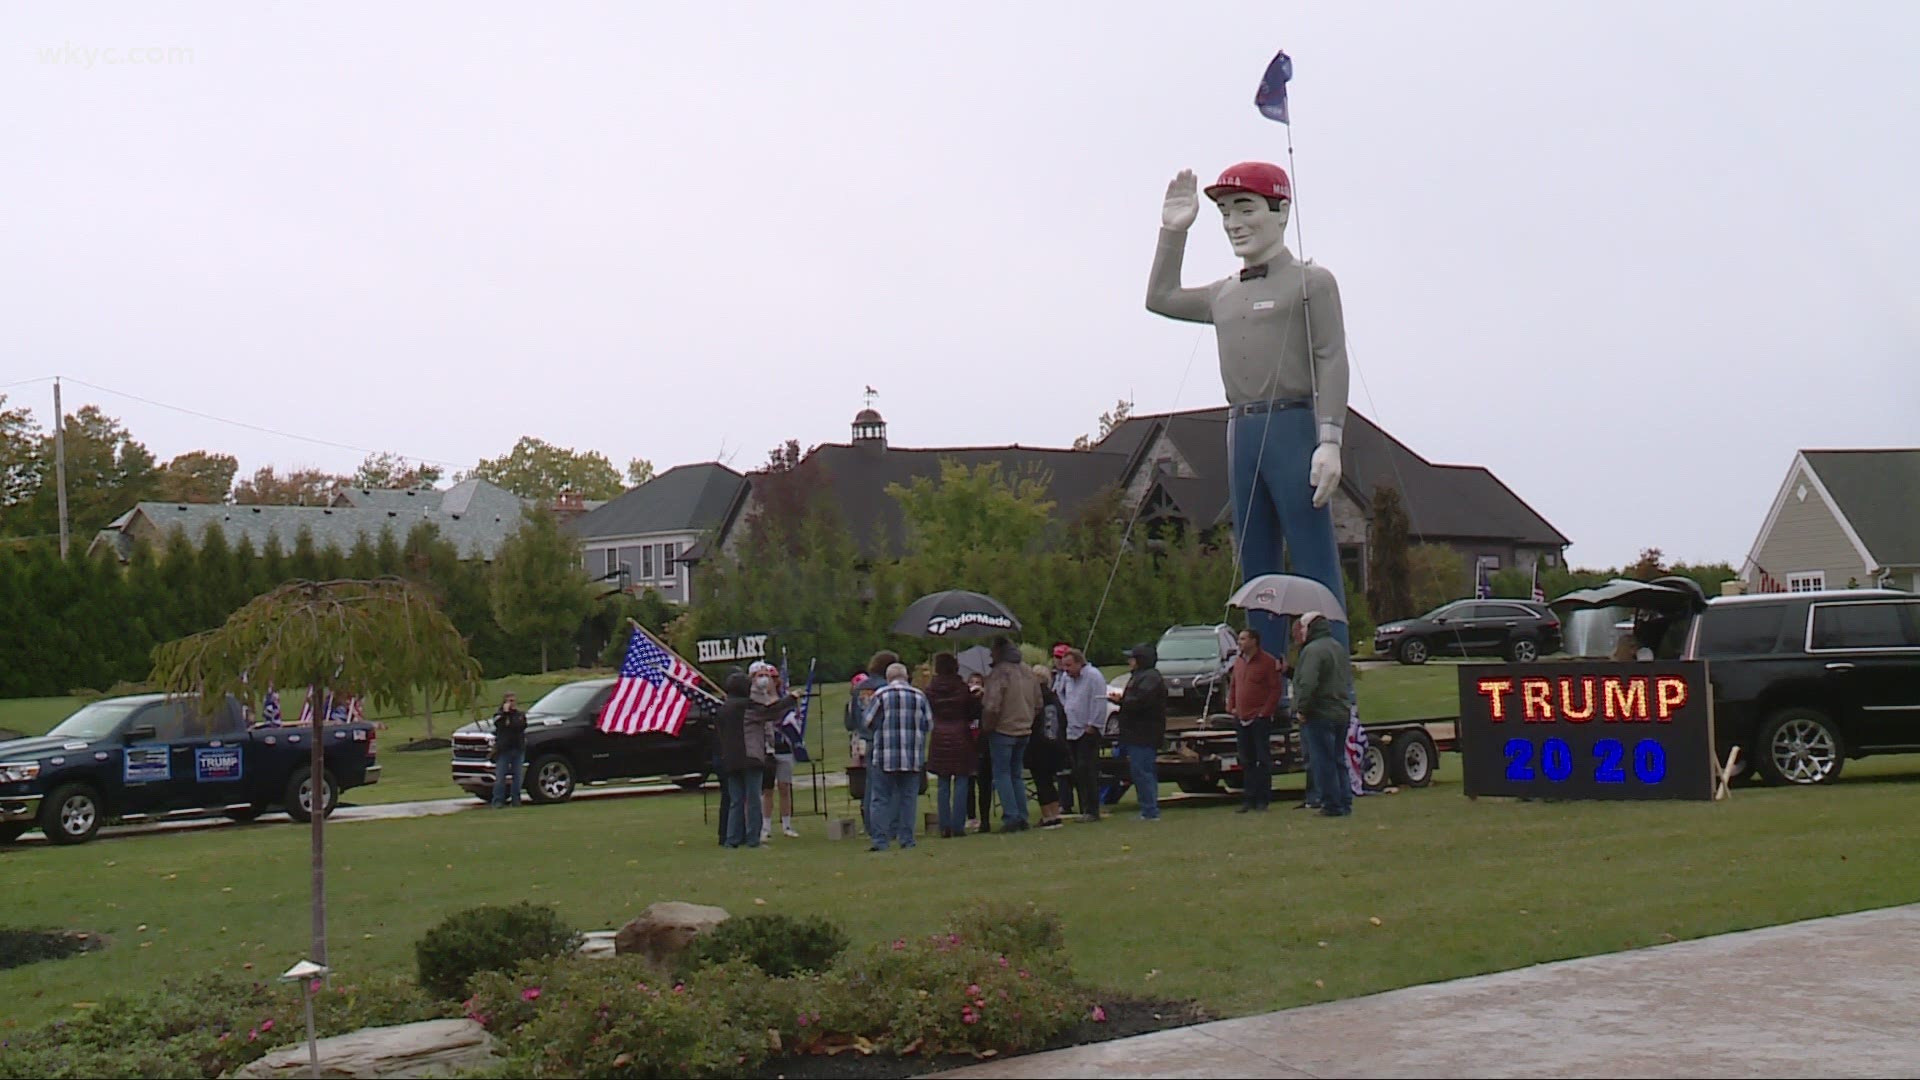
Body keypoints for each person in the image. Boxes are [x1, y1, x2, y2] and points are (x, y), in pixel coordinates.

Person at [1145, 163, 1353, 657]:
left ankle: (1332, 676)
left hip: (1293, 425)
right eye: (1224, 212)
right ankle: (1261, 676)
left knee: (1312, 554)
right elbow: (1160, 298)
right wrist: (1173, 232)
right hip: (1240, 428)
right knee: (1255, 561)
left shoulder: (1312, 282)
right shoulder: (1224, 292)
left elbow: (1330, 355)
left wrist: (1330, 438)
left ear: (1280, 212)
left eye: (1245, 208)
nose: (1233, 222)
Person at [1292, 611, 1356, 818]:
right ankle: (1345, 801)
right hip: (1341, 711)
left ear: (1309, 628)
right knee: (1338, 759)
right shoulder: (1337, 647)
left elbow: (1308, 682)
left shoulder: (1312, 651)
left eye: (1301, 627)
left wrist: (1302, 708)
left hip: (1320, 712)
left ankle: (1331, 804)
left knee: (1323, 760)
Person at [863, 662, 932, 851]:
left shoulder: (881, 695)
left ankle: (880, 840)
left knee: (880, 799)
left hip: (885, 754)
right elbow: (928, 724)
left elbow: (867, 722)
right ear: (906, 677)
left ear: (888, 678)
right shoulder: (919, 696)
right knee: (908, 798)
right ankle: (907, 839)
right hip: (911, 756)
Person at [981, 637, 1042, 833]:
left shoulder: (1000, 673)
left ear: (998, 651)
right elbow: (1039, 703)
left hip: (1003, 729)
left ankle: (1011, 816)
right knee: (1016, 774)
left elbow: (992, 705)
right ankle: (1022, 815)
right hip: (1024, 728)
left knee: (1002, 774)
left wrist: (987, 727)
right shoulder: (1028, 671)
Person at [1227, 628, 1283, 813]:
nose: (1240, 642)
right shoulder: (1239, 662)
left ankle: (1263, 799)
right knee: (1246, 760)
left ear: (1254, 641)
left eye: (1243, 639)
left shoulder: (1267, 662)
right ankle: (1248, 799)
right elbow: (1234, 685)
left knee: (1262, 759)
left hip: (1259, 719)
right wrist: (1231, 707)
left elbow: (1275, 689)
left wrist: (1264, 713)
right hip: (1241, 718)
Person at [924, 652, 979, 839]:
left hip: (939, 735)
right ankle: (958, 824)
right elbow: (972, 713)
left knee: (943, 782)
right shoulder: (962, 688)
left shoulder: (930, 689)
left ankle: (944, 825)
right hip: (961, 735)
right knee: (962, 780)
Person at [1113, 644, 1168, 820]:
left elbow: (1141, 701)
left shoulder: (1150, 678)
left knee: (1143, 771)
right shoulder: (1141, 676)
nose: (1129, 661)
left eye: (1132, 658)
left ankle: (1150, 811)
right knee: (1141, 771)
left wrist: (1122, 700)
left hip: (1144, 734)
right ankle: (1148, 809)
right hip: (1136, 733)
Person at [1056, 648, 1109, 823]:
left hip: (1088, 730)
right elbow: (1060, 692)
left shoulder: (1093, 676)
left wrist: (1093, 724)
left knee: (1087, 769)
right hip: (1072, 729)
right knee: (1078, 771)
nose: (1066, 669)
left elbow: (1099, 700)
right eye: (1064, 666)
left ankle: (1092, 809)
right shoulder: (1067, 678)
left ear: (1080, 663)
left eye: (1069, 665)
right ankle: (1083, 806)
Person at [715, 670, 767, 848]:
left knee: (735, 801)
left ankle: (732, 839)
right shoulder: (749, 707)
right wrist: (790, 700)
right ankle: (753, 839)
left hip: (730, 759)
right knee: (753, 800)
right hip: (750, 757)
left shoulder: (722, 709)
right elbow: (770, 712)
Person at [1028, 664, 1068, 828]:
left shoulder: (1034, 699)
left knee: (1041, 781)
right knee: (1050, 781)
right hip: (1055, 743)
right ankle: (1055, 812)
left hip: (1038, 745)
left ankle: (1048, 816)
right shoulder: (1054, 698)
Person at [489, 693, 527, 809]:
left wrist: (510, 720)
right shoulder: (499, 715)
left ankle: (516, 800)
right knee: (500, 777)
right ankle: (498, 801)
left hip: (518, 748)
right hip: (504, 750)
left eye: (514, 701)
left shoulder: (520, 715)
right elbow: (499, 724)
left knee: (518, 777)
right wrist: (505, 714)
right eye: (510, 701)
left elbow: (520, 726)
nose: (513, 703)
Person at [966, 671, 993, 831]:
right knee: (968, 783)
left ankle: (985, 819)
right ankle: (970, 816)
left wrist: (983, 697)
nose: (974, 685)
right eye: (972, 682)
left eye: (978, 682)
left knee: (984, 783)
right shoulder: (966, 703)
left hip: (983, 745)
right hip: (968, 745)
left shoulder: (987, 703)